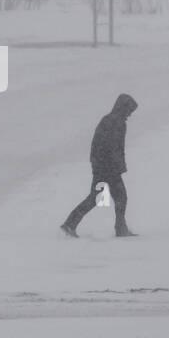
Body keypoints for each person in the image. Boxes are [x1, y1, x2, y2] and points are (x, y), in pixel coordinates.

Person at [61, 93, 138, 238]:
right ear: (123, 108)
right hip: (107, 168)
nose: (130, 114)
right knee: (119, 197)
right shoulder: (115, 122)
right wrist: (115, 165)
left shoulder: (111, 120)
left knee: (99, 198)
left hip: (104, 166)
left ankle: (70, 224)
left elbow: (107, 146)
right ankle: (119, 229)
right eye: (129, 110)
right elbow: (110, 146)